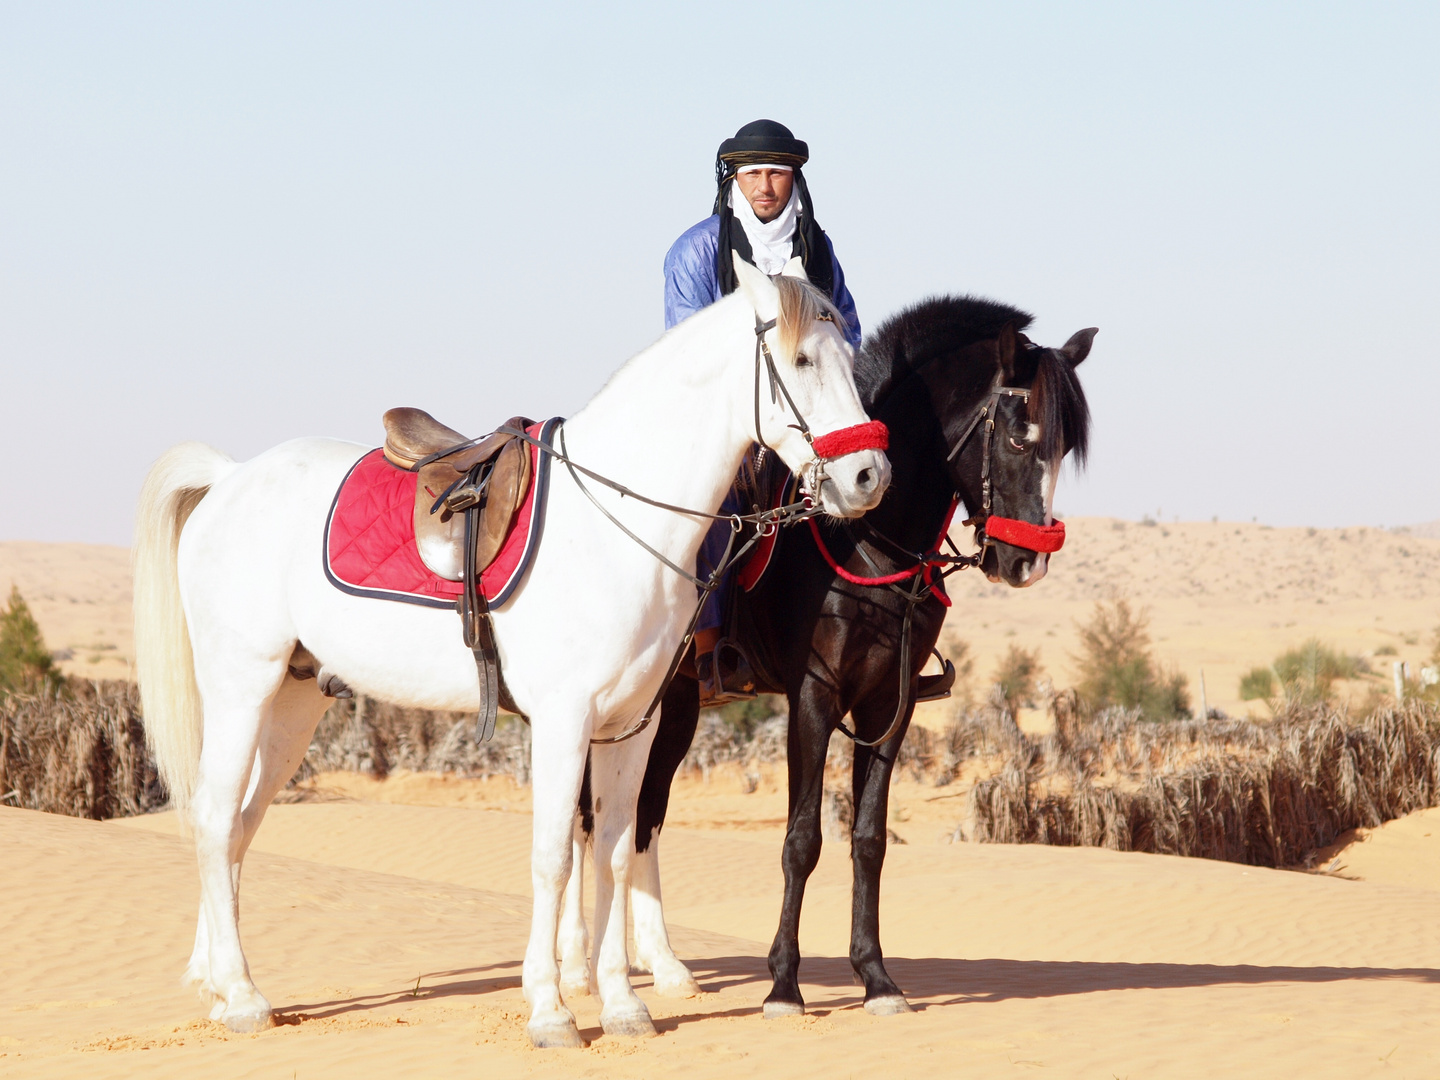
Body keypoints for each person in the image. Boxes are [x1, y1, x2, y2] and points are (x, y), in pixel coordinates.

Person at [663, 119, 862, 705]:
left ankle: (875, 644)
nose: (765, 185)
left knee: (863, 482)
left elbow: (846, 328)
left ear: (794, 176)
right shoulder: (696, 249)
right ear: (735, 178)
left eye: (777, 172)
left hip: (804, 417)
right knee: (714, 502)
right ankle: (709, 652)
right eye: (752, 173)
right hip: (722, 420)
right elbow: (688, 347)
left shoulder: (819, 248)